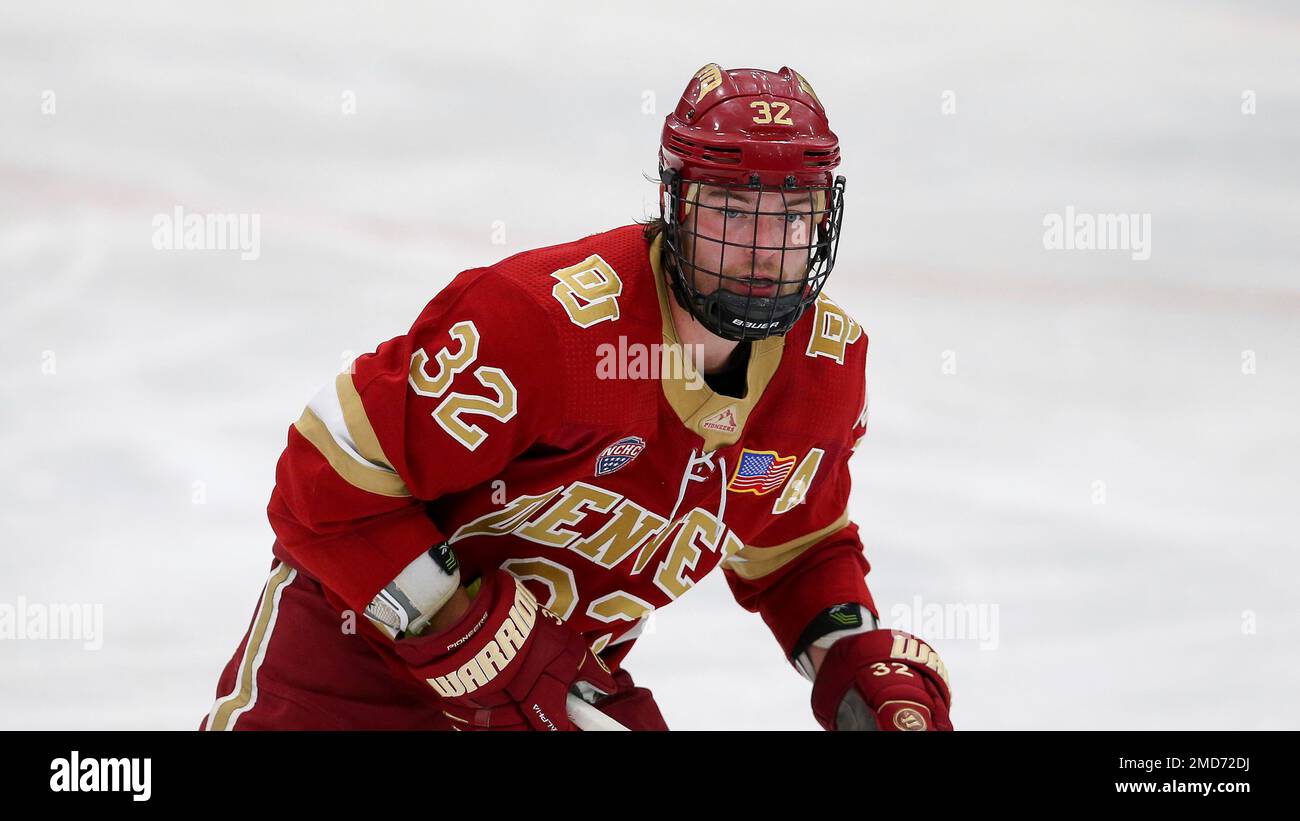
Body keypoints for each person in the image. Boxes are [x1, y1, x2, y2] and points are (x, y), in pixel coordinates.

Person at [201, 63, 953, 731]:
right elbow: (326, 476)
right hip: (346, 674)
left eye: (790, 216)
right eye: (731, 210)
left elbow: (793, 545)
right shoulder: (544, 327)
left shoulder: (826, 371)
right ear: (678, 205)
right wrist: (467, 627)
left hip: (540, 694)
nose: (763, 250)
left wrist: (853, 656)